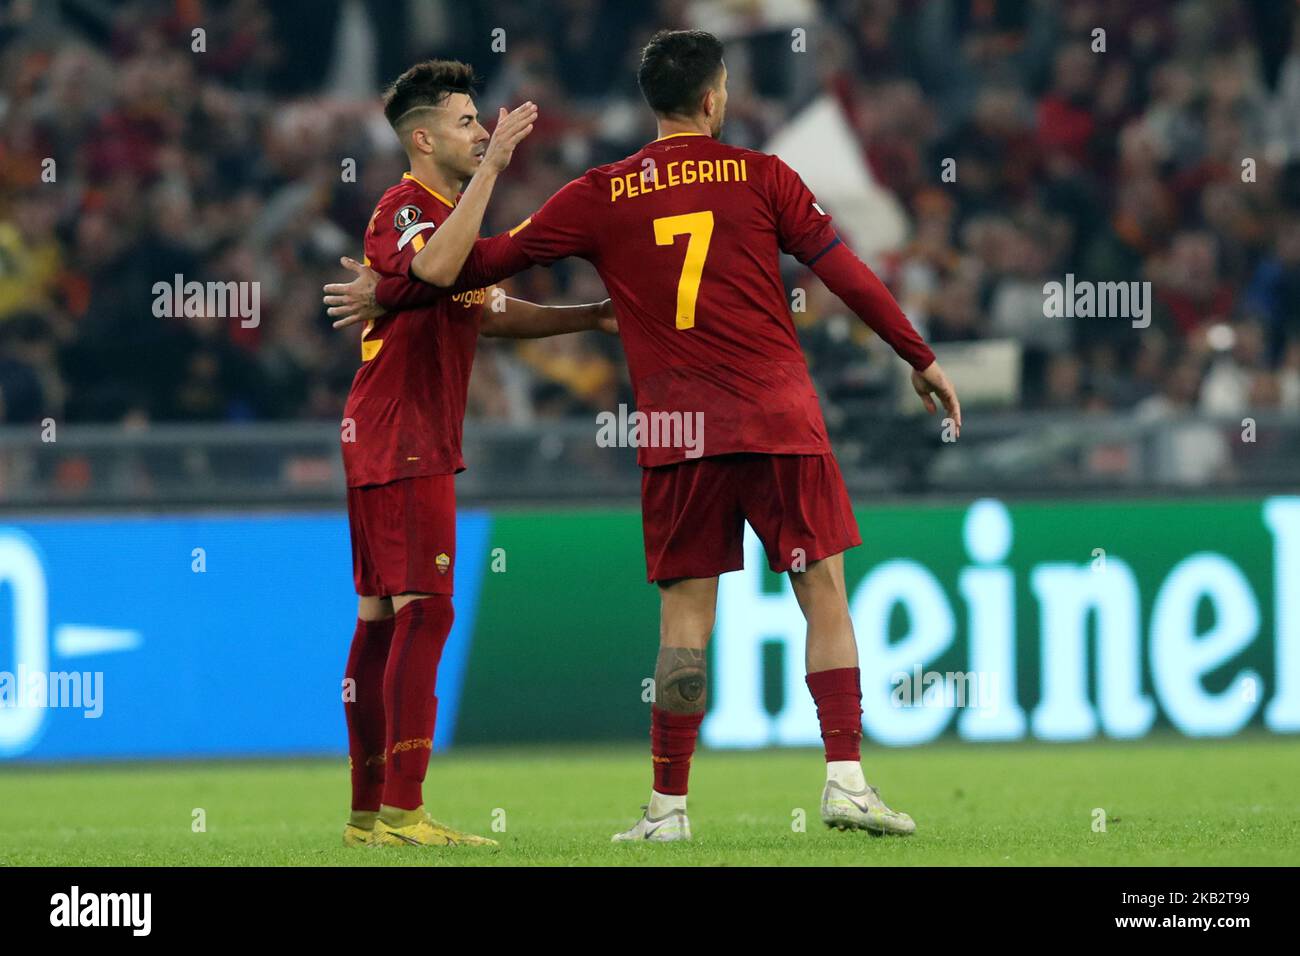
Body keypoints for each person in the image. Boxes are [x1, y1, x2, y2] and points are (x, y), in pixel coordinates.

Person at [326, 32, 960, 841]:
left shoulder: (603, 193)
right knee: (822, 592)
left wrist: (395, 286)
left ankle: (668, 808)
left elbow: (483, 264)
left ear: (651, 102)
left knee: (685, 624)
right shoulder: (763, 176)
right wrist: (919, 354)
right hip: (776, 417)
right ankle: (845, 780)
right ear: (713, 99)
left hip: (675, 433)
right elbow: (846, 273)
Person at [327, 60, 615, 849]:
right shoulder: (405, 206)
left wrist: (588, 315)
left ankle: (366, 816)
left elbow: (483, 307)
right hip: (402, 431)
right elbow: (442, 268)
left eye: (481, 123)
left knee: (383, 618)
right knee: (430, 609)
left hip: (392, 433)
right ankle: (405, 811)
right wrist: (490, 174)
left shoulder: (438, 215)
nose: (482, 131)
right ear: (421, 138)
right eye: (465, 122)